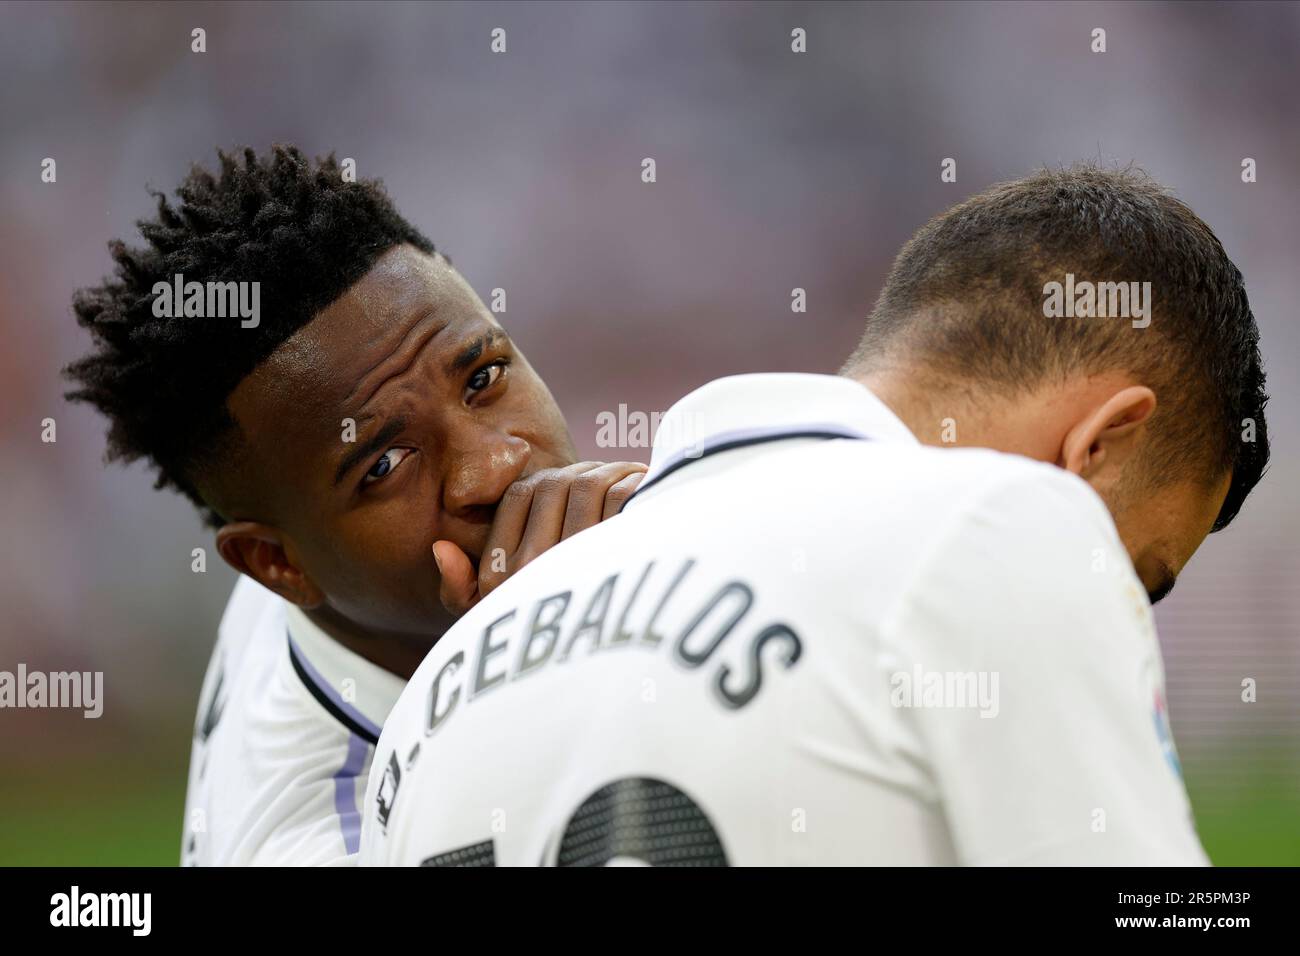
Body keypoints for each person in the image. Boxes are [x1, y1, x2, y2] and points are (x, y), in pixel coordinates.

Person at [360, 164, 1269, 866]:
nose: (1117, 599)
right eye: (1136, 574)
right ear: (1099, 448)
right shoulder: (1011, 524)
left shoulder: (432, 698)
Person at [65, 145, 644, 865]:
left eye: (484, 377)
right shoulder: (329, 844)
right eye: (386, 464)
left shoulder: (340, 573)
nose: (495, 464)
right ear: (278, 565)